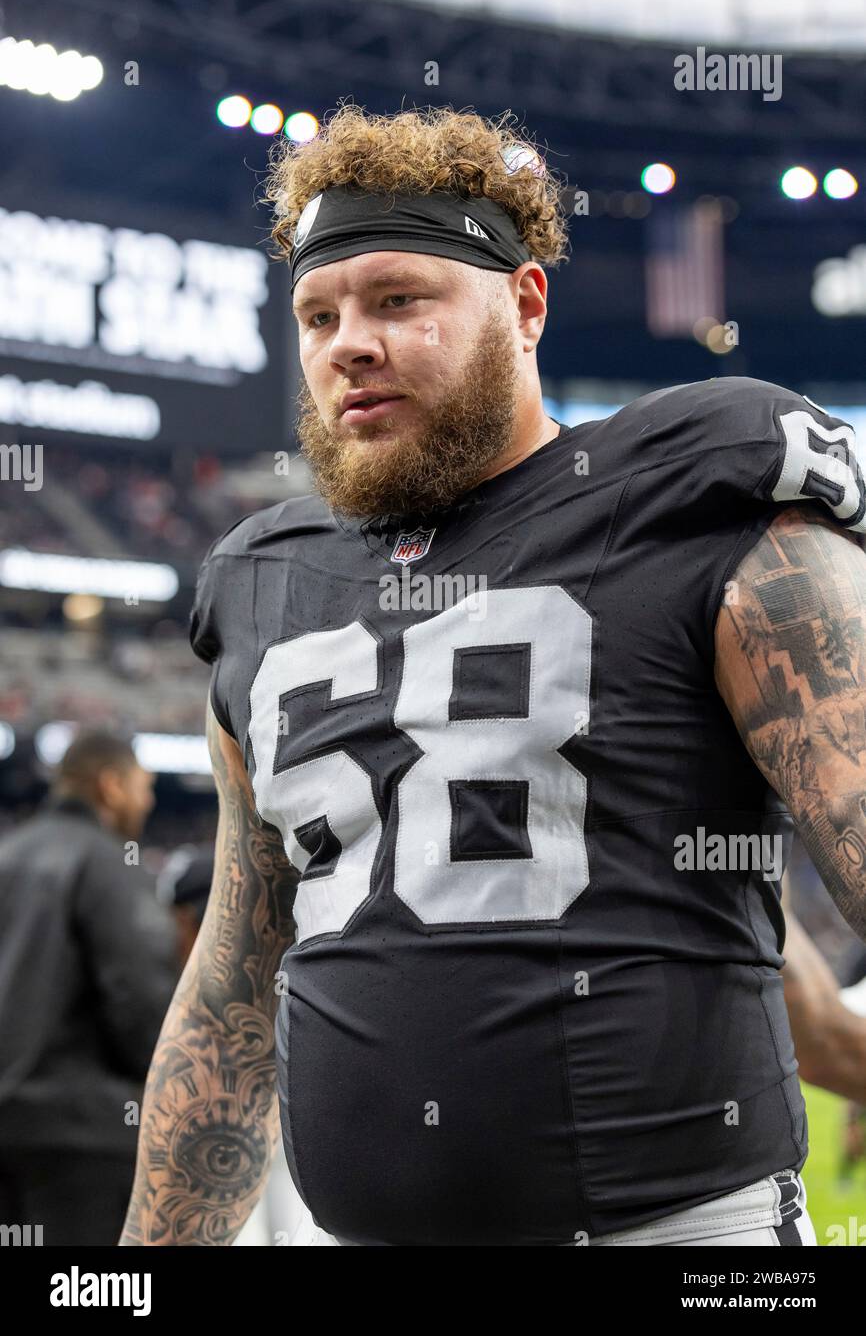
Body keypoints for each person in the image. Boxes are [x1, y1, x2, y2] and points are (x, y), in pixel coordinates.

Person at [122, 103, 866, 1247]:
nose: (345, 344)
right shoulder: (267, 581)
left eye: (396, 300)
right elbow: (231, 989)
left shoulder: (694, 493)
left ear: (524, 304)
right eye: (317, 314)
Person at [0, 729, 176, 1245]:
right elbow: (139, 996)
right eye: (142, 786)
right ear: (111, 785)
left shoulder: (7, 853)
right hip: (82, 1135)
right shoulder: (109, 862)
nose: (147, 802)